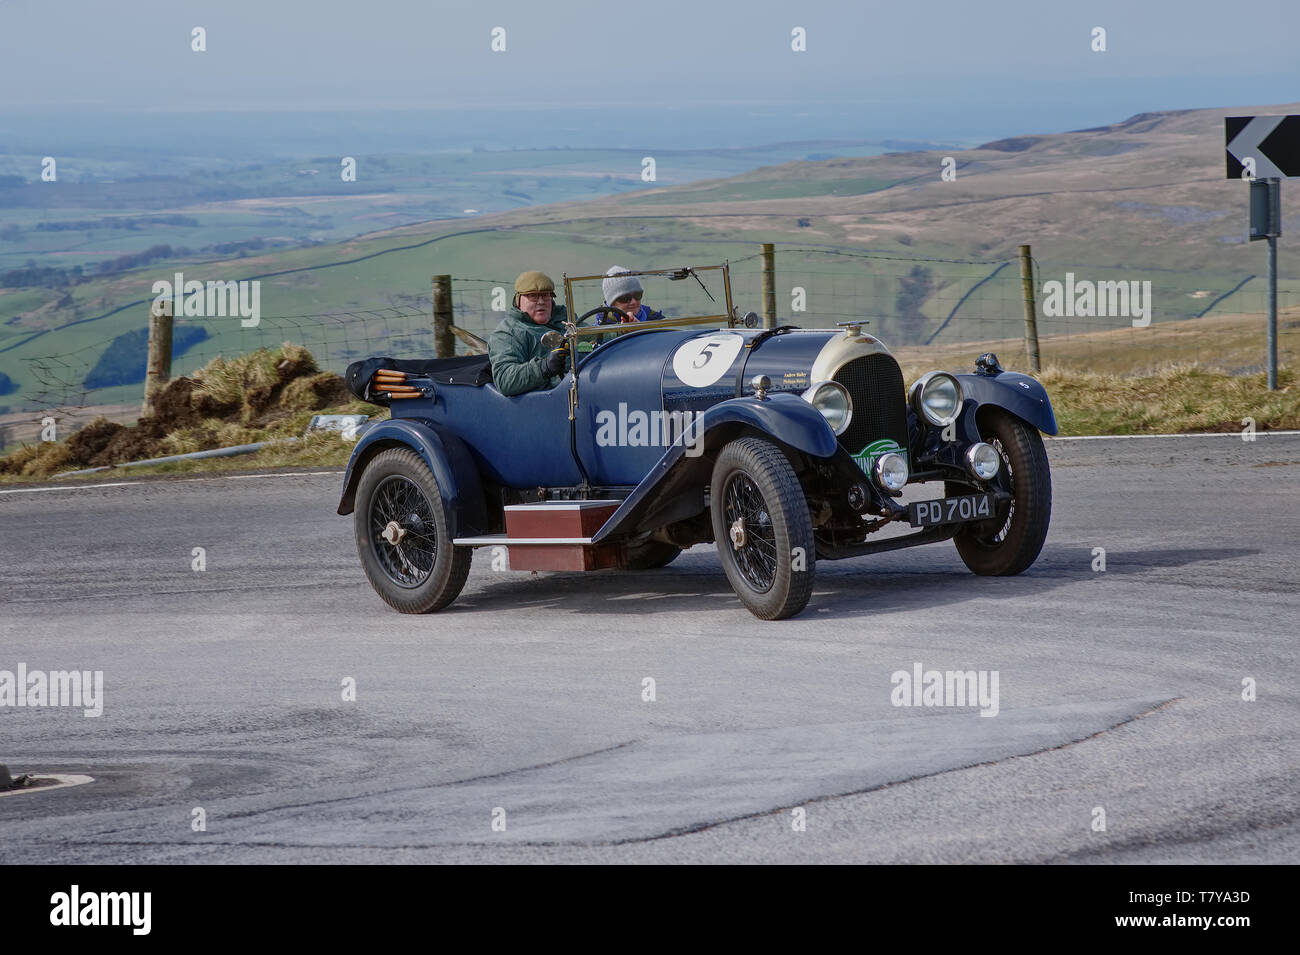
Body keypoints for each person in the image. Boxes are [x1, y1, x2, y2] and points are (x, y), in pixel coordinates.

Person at [488, 270, 571, 396]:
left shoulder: (566, 319)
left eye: (545, 295)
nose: (541, 301)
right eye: (533, 296)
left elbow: (594, 338)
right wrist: (544, 367)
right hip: (547, 401)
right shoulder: (508, 333)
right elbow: (505, 380)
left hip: (585, 386)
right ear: (518, 300)